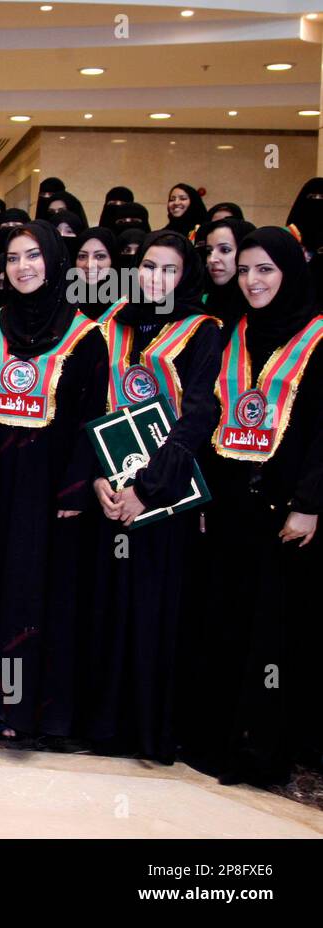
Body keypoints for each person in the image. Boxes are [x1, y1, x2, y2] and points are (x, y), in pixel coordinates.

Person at [0, 221, 108, 738]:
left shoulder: (86, 335)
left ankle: (29, 713)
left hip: (48, 491)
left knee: (35, 590)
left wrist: (74, 487)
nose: (23, 267)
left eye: (34, 256)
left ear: (55, 261)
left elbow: (92, 415)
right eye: (14, 258)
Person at [182, 226, 323, 786]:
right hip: (232, 508)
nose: (253, 280)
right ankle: (219, 739)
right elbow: (211, 417)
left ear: (289, 271)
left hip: (289, 513)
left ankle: (266, 750)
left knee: (276, 634)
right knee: (226, 623)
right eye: (244, 270)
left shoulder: (318, 336)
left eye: (265, 269)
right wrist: (203, 496)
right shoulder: (234, 332)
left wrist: (310, 502)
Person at [87, 230, 222, 763]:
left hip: (166, 498)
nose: (156, 278)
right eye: (147, 266)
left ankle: (147, 733)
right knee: (107, 610)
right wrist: (98, 477)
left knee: (154, 614)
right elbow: (89, 408)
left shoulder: (203, 330)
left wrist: (147, 489)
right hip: (110, 495)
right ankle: (102, 726)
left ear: (185, 275)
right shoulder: (113, 325)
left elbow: (197, 419)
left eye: (169, 269)